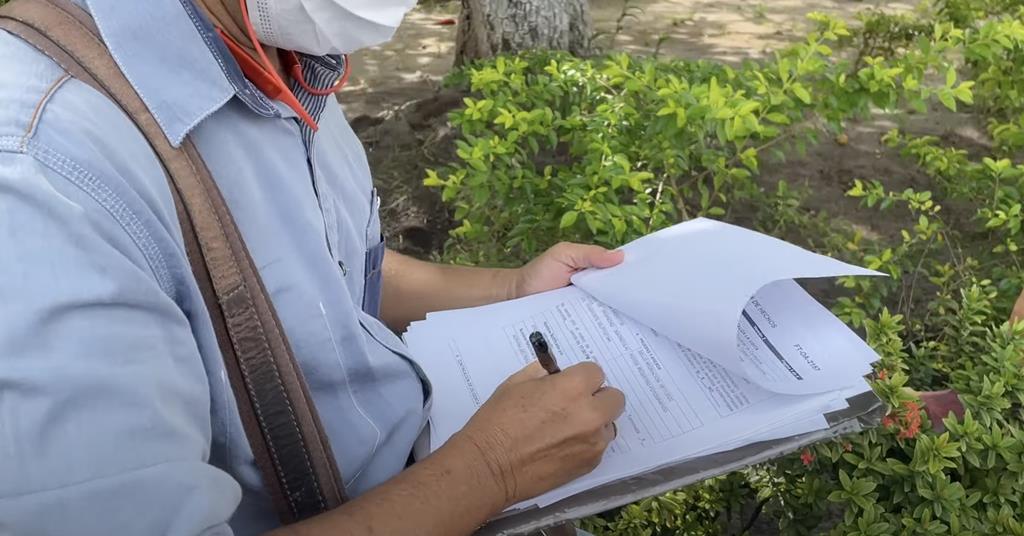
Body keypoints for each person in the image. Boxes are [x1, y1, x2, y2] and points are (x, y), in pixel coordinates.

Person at [0, 0, 626, 534]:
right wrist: (490, 470)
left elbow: (340, 275)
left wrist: (511, 287)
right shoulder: (43, 163)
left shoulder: (287, 66)